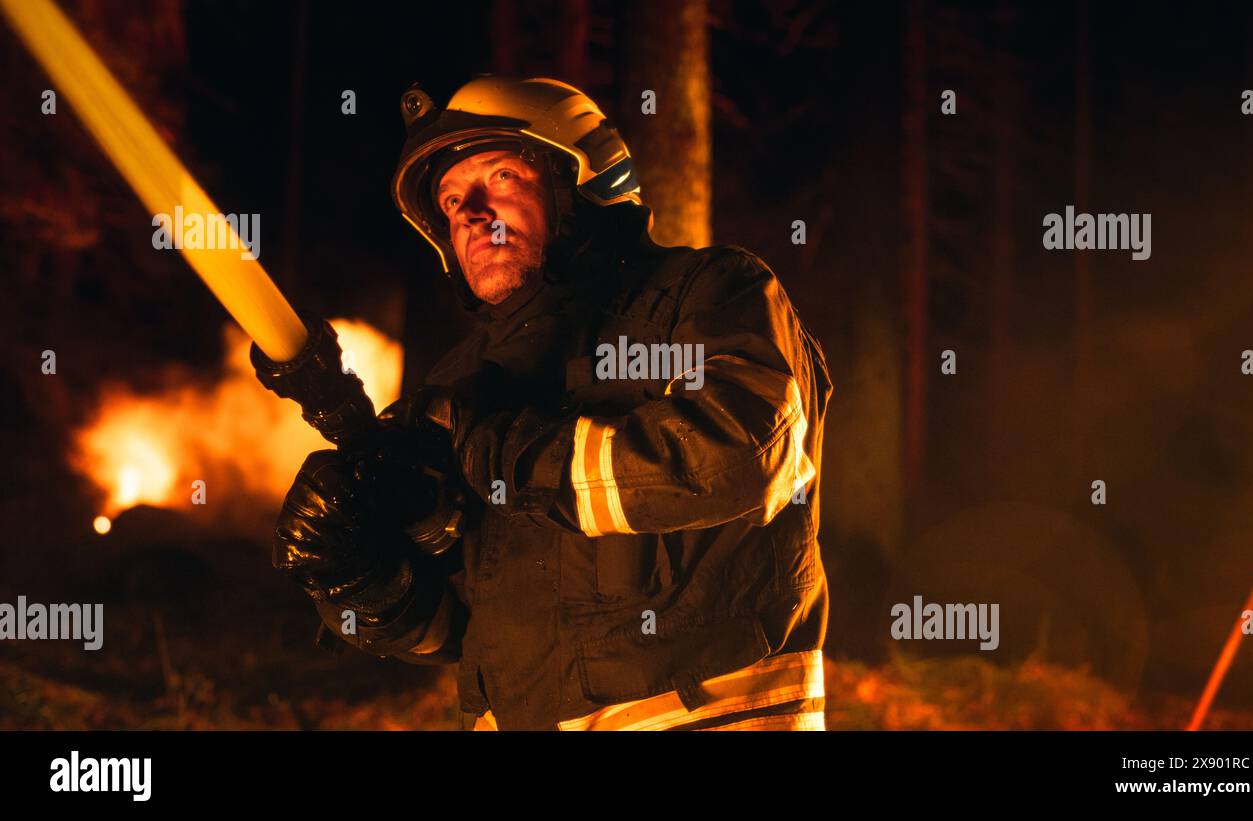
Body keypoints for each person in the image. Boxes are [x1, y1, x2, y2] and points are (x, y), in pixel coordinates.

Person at [272, 76, 833, 731]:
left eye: (501, 175)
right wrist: (358, 576)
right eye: (451, 200)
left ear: (580, 183)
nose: (472, 213)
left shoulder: (707, 295)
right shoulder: (464, 388)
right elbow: (454, 626)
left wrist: (513, 455)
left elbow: (739, 454)